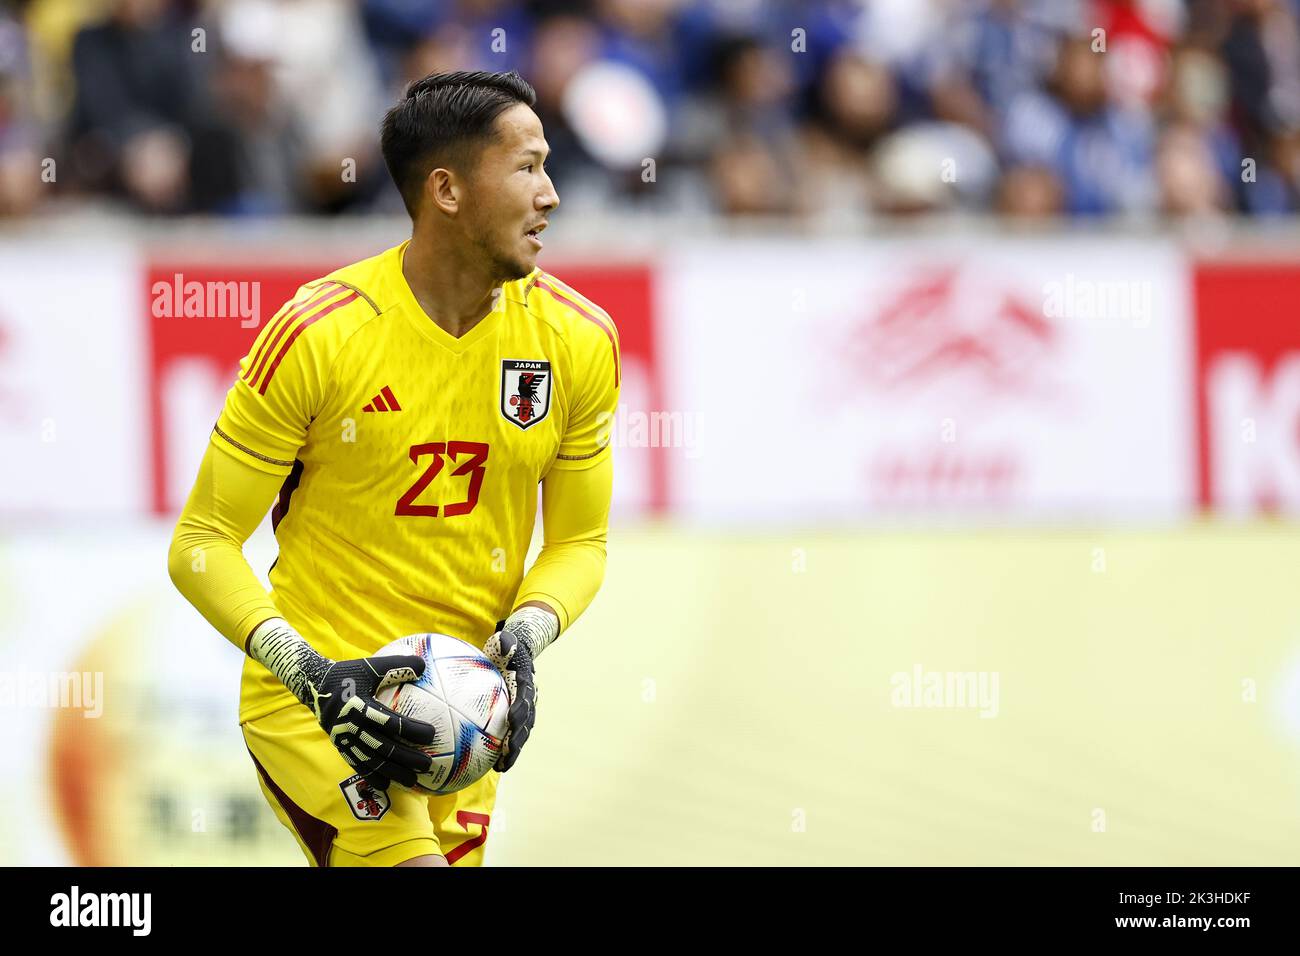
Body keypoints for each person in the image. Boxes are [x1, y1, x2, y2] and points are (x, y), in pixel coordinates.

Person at [167, 70, 618, 867]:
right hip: (318, 705)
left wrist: (525, 633)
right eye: (527, 167)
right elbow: (201, 542)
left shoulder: (578, 340)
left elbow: (581, 543)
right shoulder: (318, 333)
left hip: (461, 713)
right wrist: (311, 674)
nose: (551, 194)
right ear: (447, 189)